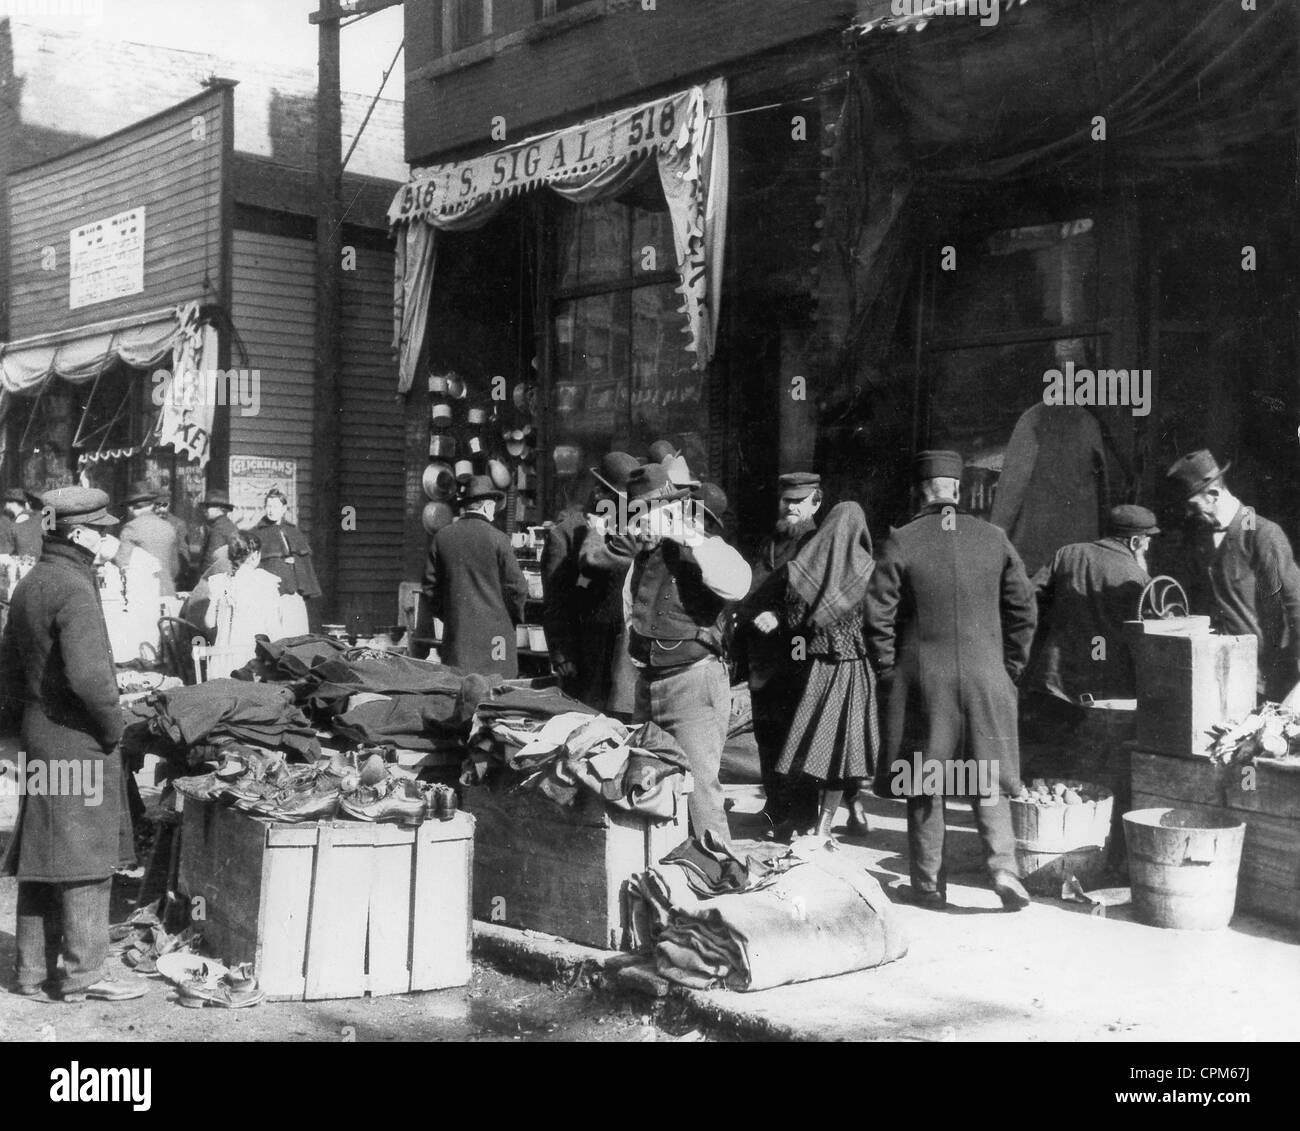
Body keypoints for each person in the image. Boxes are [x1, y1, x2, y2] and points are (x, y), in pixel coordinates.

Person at [866, 450, 1037, 912]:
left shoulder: (902, 540)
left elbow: (877, 613)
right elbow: (1024, 611)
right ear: (957, 490)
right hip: (987, 676)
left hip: (923, 681)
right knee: (987, 775)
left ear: (921, 491)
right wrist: (1009, 669)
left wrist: (888, 669)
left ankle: (927, 885)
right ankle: (1003, 869)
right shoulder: (994, 538)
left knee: (925, 779)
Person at [0, 487, 145, 1002]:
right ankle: (86, 975)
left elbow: (9, 674)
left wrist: (17, 734)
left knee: (43, 854)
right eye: (103, 531)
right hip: (78, 739)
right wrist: (113, 729)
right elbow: (90, 680)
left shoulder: (32, 583)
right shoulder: (75, 588)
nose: (109, 539)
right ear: (80, 534)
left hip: (41, 737)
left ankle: (32, 974)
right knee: (86, 857)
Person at [623, 463, 752, 846]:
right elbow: (631, 606)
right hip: (651, 682)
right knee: (650, 781)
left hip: (694, 683)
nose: (637, 522)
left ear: (671, 510)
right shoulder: (646, 554)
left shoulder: (705, 545)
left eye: (644, 513)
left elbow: (738, 584)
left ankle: (717, 873)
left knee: (699, 792)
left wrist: (685, 535)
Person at [775, 502, 881, 840]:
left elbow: (793, 624)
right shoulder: (870, 571)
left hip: (815, 668)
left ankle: (820, 822)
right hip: (856, 670)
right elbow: (880, 624)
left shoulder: (803, 568)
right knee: (844, 747)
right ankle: (850, 812)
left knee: (817, 747)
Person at [1167, 449, 1300, 704]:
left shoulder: (1262, 534)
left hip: (1261, 677)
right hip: (1213, 672)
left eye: (1192, 505)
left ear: (1214, 494)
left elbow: (1295, 601)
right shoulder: (1201, 538)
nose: (1188, 513)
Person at [737, 472, 824, 838]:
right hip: (762, 656)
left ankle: (802, 816)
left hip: (799, 651)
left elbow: (822, 595)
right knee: (768, 734)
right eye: (786, 500)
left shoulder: (820, 542)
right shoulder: (770, 541)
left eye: (799, 502)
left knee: (799, 736)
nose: (790, 507)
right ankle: (775, 808)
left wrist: (783, 618)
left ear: (816, 503)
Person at [1026, 504, 1158, 707]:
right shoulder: (1138, 577)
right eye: (1147, 541)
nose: (1148, 548)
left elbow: (1029, 596)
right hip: (1104, 686)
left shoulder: (1067, 553)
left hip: (1056, 674)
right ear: (1134, 541)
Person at [541, 451, 641, 715]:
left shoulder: (629, 531)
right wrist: (562, 653)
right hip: (585, 651)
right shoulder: (565, 534)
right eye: (617, 498)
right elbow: (555, 600)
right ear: (599, 493)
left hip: (623, 651)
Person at [423, 475, 528, 678]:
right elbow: (518, 588)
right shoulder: (499, 540)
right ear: (488, 506)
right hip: (497, 638)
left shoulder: (442, 537)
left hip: (458, 637)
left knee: (459, 693)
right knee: (496, 696)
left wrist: (452, 616)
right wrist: (510, 621)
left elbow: (430, 588)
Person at [203, 533, 284, 673]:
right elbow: (275, 630)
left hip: (221, 663)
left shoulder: (219, 582)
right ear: (255, 556)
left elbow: (209, 622)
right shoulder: (264, 582)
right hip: (251, 664)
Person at [254, 488, 321, 636]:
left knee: (295, 634)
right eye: (268, 506)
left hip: (293, 595)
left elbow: (305, 563)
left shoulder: (293, 531)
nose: (271, 510)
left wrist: (294, 561)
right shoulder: (257, 533)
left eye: (275, 506)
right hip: (270, 596)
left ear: (284, 509)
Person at [119, 481, 180, 597]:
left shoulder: (131, 528)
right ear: (152, 505)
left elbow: (122, 565)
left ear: (131, 507)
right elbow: (175, 568)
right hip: (167, 592)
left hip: (142, 595)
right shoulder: (169, 527)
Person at [153, 494, 193, 589]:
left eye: (164, 505)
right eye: (157, 504)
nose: (161, 509)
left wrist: (182, 575)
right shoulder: (149, 523)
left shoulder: (178, 524)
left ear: (169, 505)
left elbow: (184, 551)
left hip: (171, 575)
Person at [198, 487, 241, 573]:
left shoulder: (218, 529)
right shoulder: (228, 525)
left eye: (208, 506)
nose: (205, 510)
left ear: (219, 508)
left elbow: (211, 561)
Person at [0, 488, 44, 558]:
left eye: (5, 503)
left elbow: (13, 549)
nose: (4, 506)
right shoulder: (31, 516)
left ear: (11, 503)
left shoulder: (20, 519)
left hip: (26, 560)